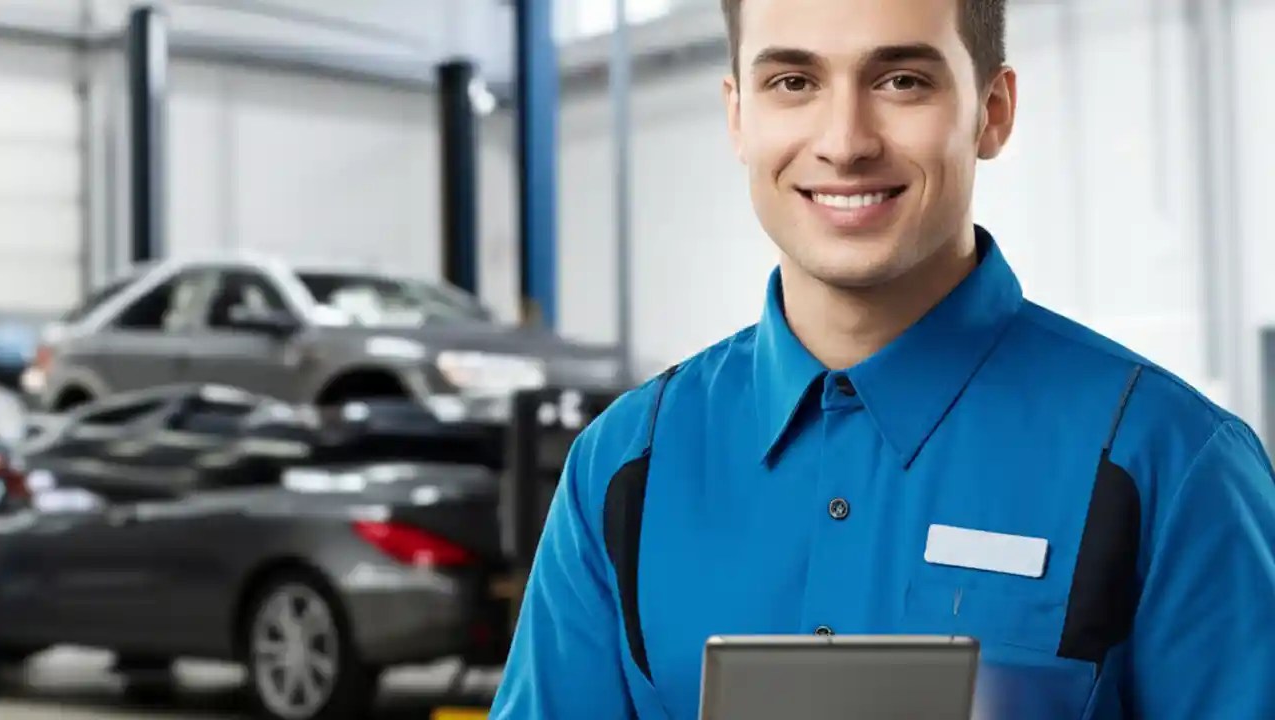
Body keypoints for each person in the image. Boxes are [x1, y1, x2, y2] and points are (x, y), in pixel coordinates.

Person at [491, 0, 1275, 717]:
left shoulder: (1170, 462)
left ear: (992, 112)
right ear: (738, 116)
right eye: (794, 81)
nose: (844, 142)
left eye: (901, 80)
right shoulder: (626, 465)